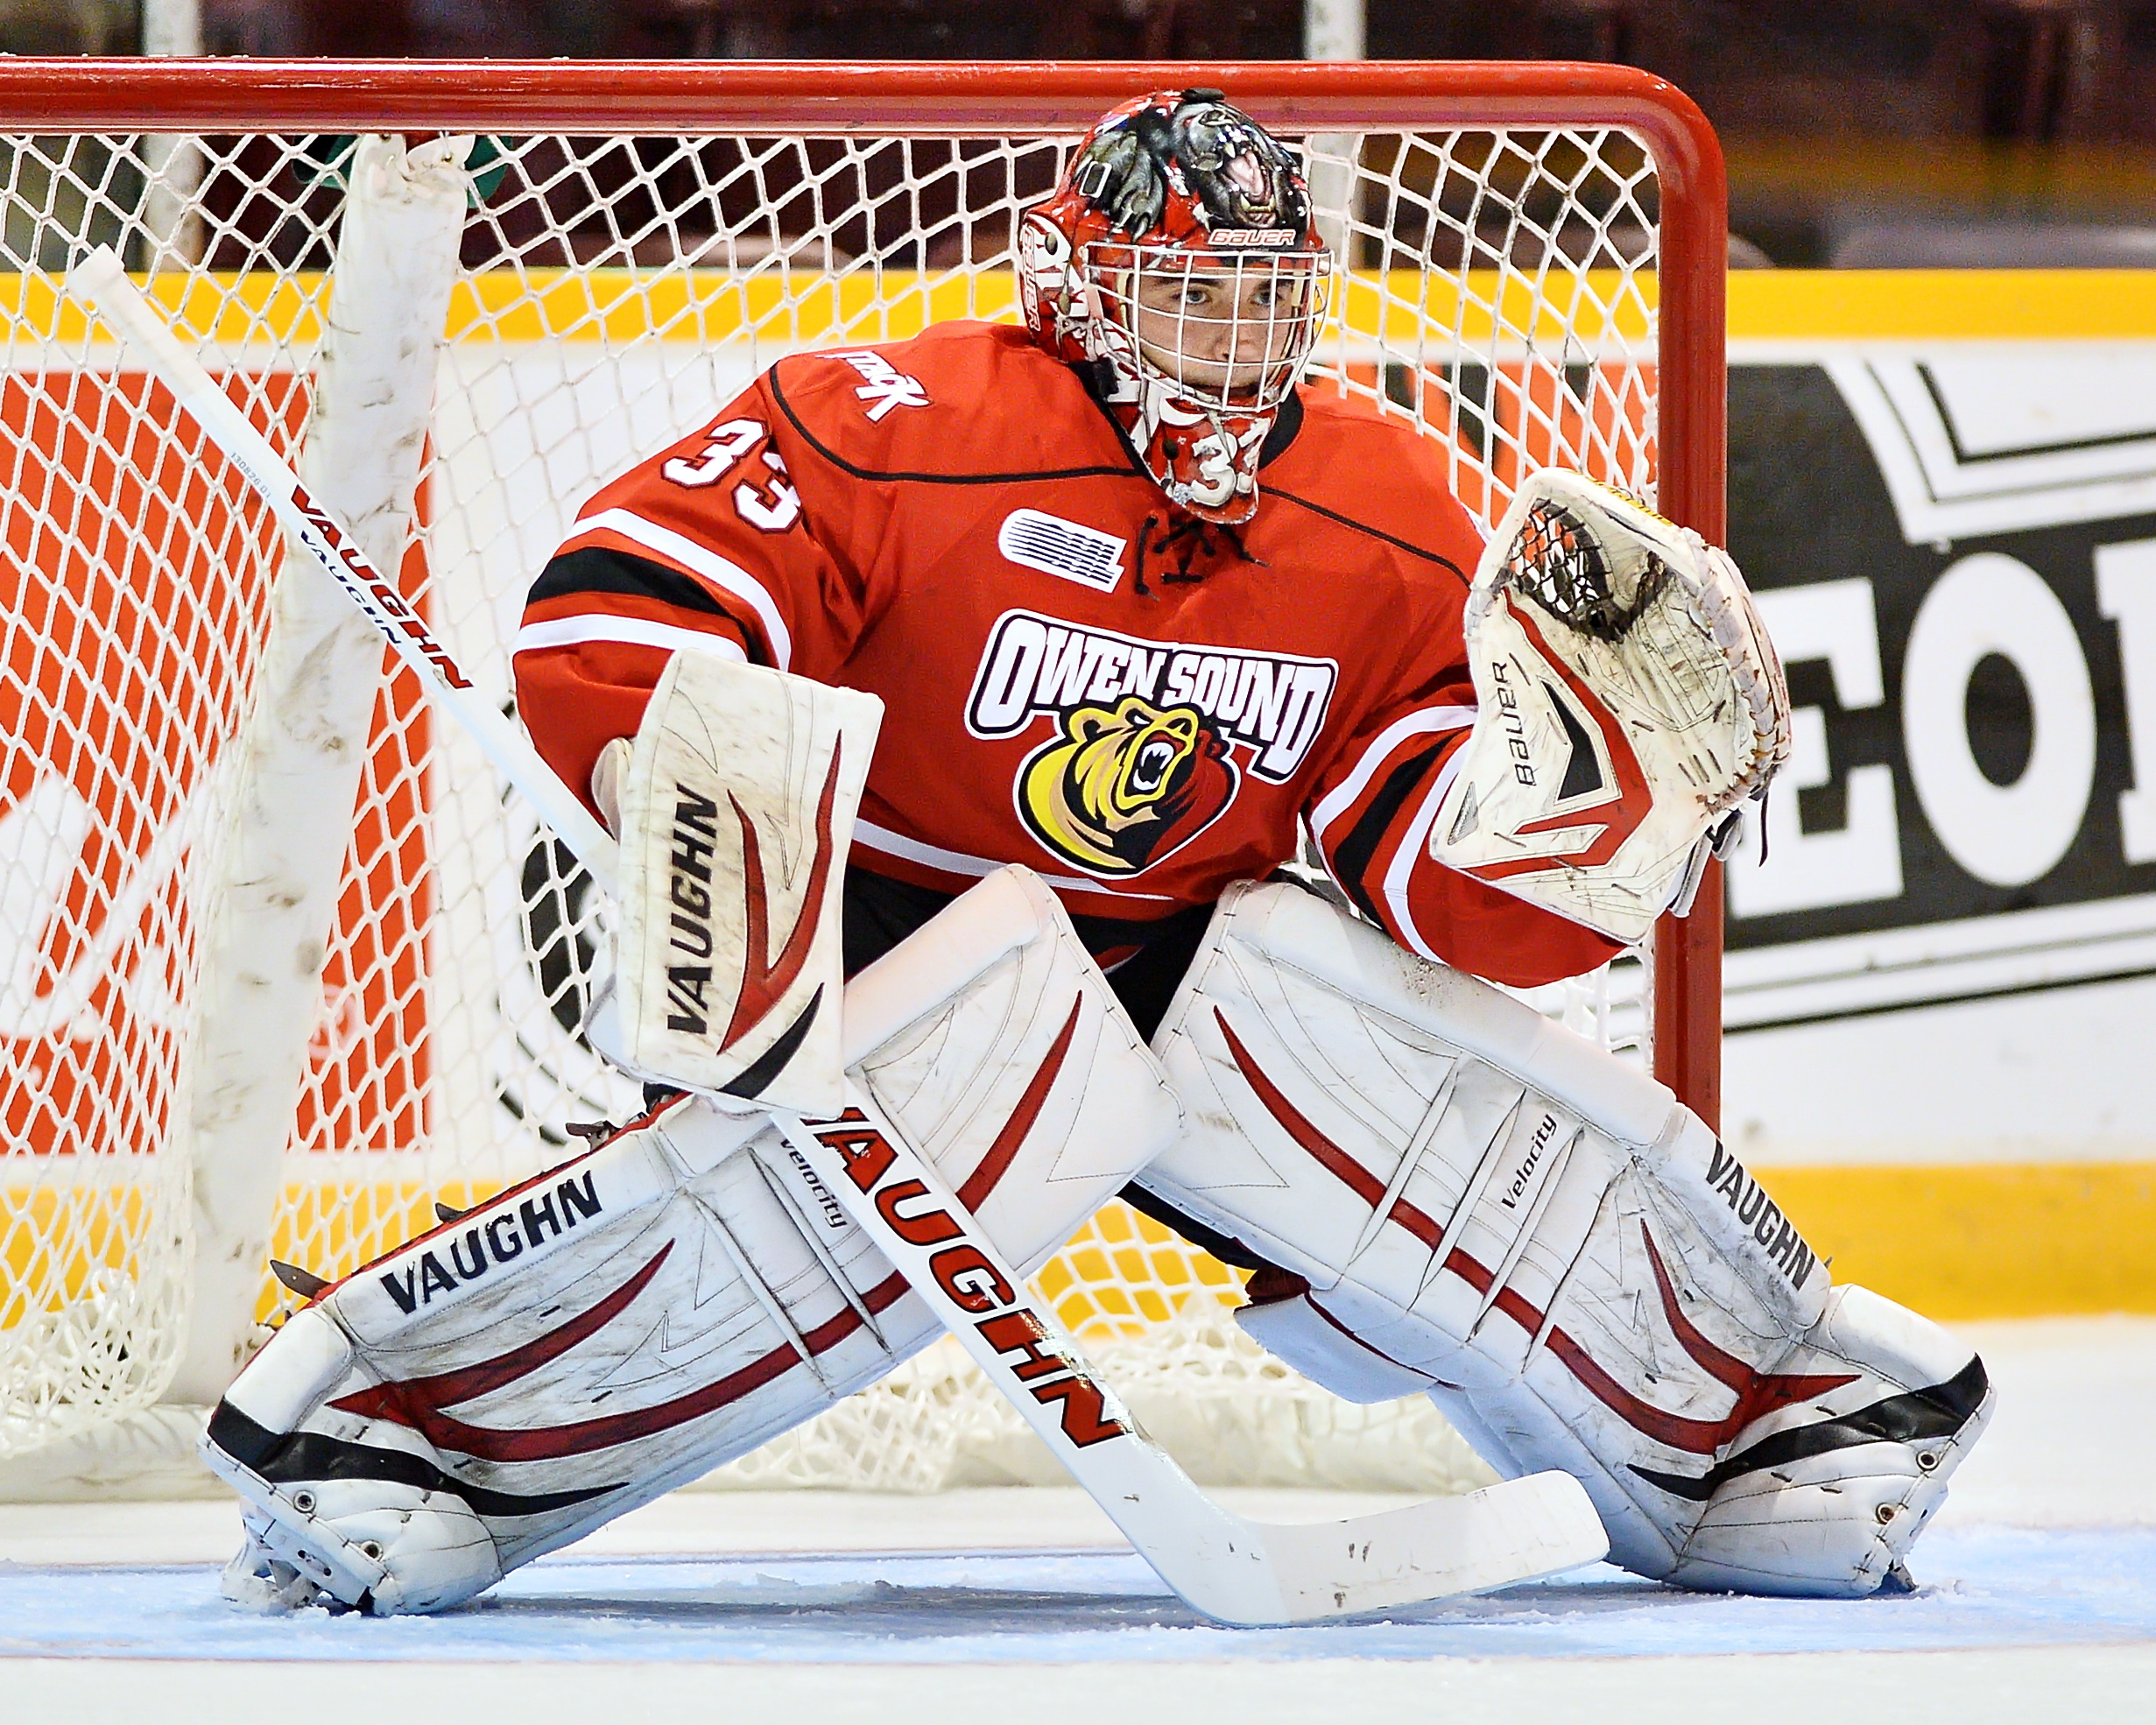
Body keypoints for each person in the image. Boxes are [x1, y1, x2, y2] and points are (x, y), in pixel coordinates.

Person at [202, 90, 1989, 1617]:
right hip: (893, 930)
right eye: (1189, 299)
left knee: (1411, 1078)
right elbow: (616, 616)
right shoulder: (903, 426)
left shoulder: (1382, 506)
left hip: (1181, 961)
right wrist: (722, 826)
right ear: (1075, 282)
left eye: (1265, 299)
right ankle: (386, 1425)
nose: (1237, 343)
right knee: (889, 1121)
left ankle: (1763, 1425)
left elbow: (1422, 880)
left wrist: (1592, 826)